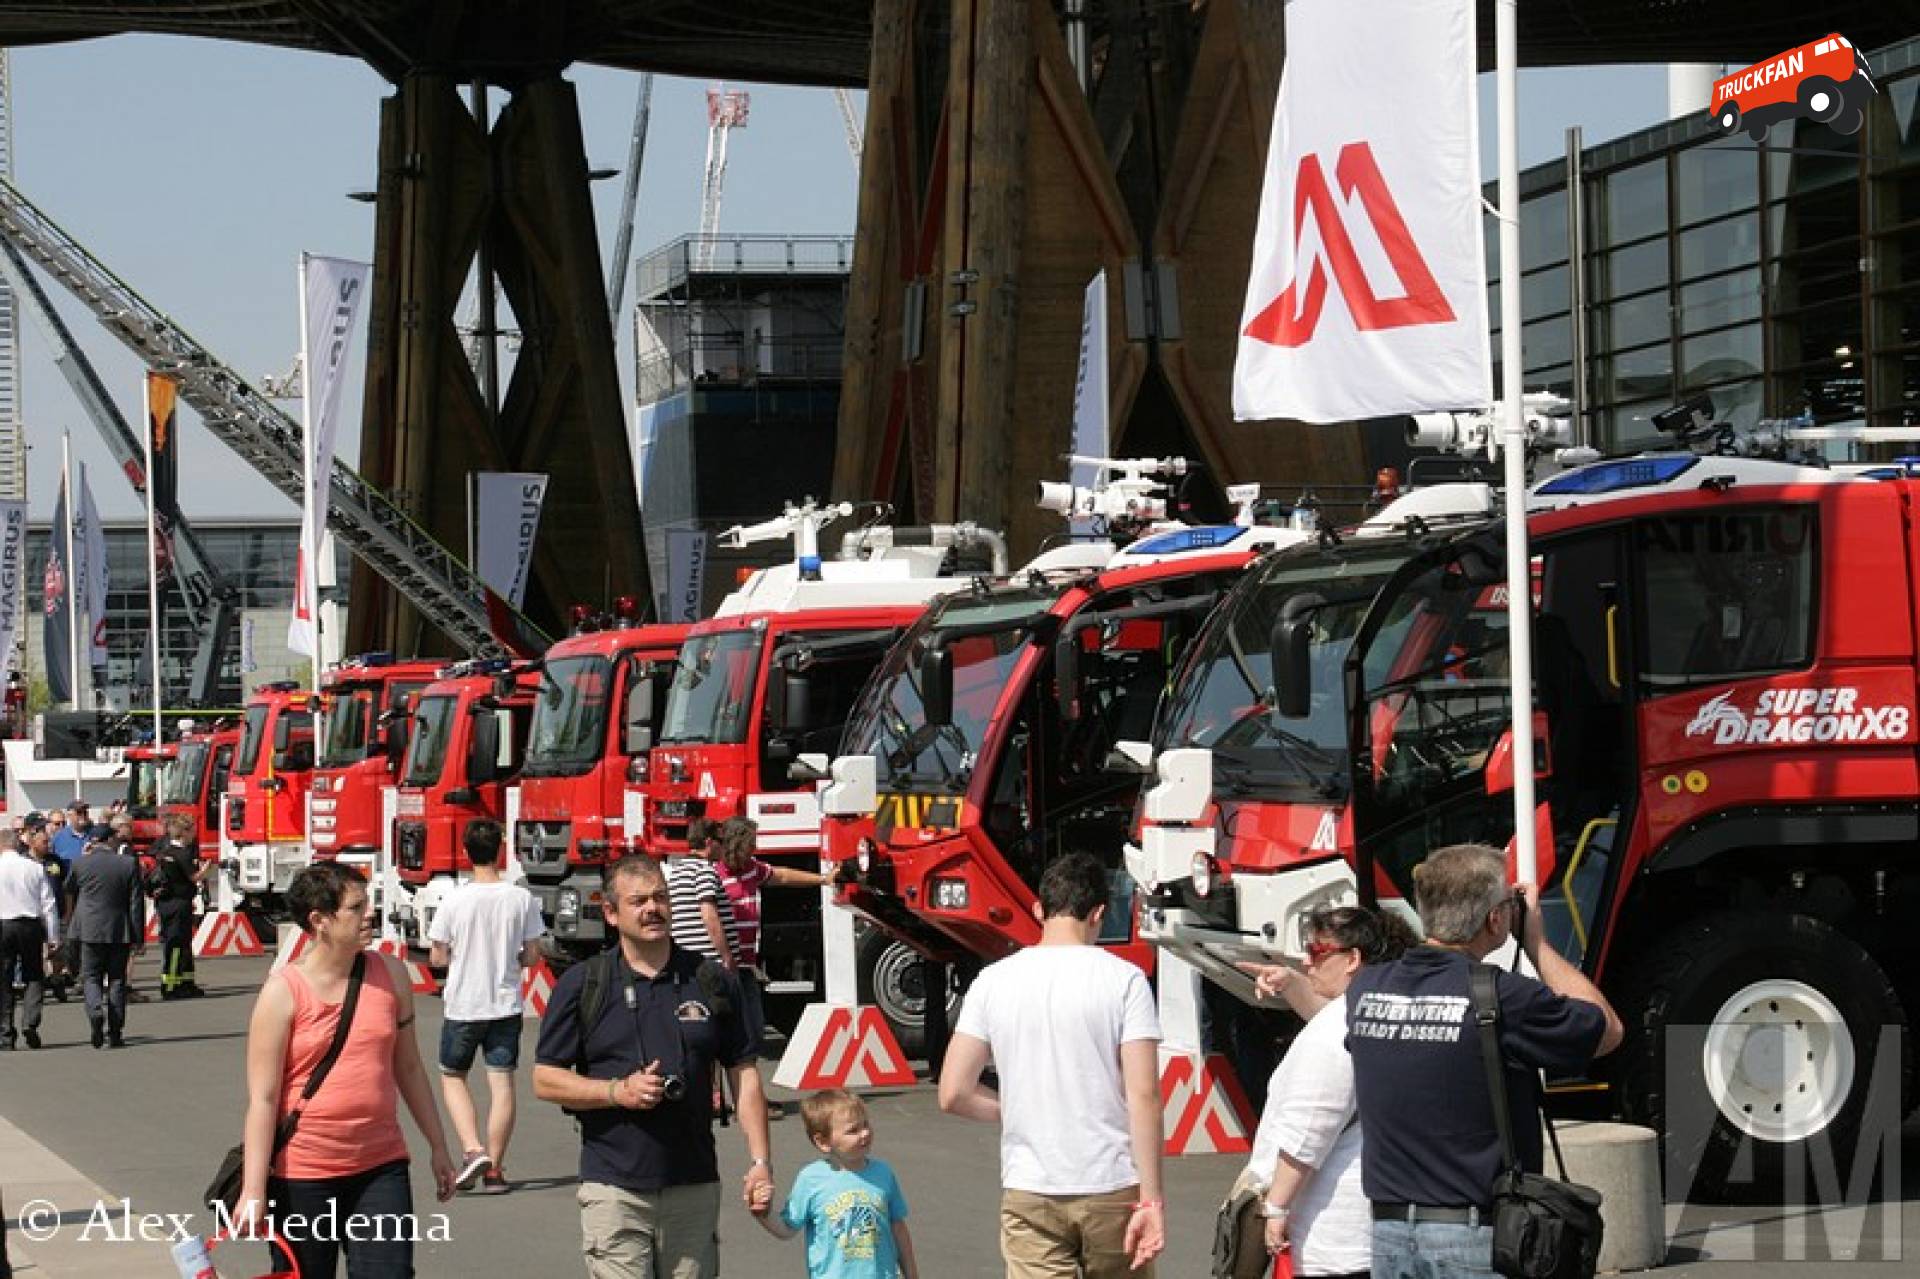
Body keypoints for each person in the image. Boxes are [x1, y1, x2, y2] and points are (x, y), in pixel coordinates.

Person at [1345, 844, 1624, 1279]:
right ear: (1497, 919)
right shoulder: (1503, 995)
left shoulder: (1368, 990)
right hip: (1473, 1238)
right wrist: (1537, 944)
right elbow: (1607, 1031)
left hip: (1389, 1233)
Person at [532, 853, 773, 1279]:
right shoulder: (585, 983)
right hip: (614, 1189)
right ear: (610, 912)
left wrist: (760, 1162)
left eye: (660, 898)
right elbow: (545, 1079)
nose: (652, 909)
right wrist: (615, 1092)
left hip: (694, 1185)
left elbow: (744, 1073)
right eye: (638, 901)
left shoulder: (712, 980)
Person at [938, 851, 1165, 1278]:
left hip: (1031, 1183)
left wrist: (1019, 1109)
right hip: (1110, 1181)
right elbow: (1143, 1097)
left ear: (1039, 909)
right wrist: (1151, 1200)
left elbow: (953, 1093)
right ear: (1099, 912)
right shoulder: (1125, 981)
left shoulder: (992, 982)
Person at [237, 862, 457, 1279]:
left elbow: (408, 1067)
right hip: (303, 1176)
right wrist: (252, 1190)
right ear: (319, 921)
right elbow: (263, 1100)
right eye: (355, 907)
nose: (369, 913)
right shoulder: (283, 993)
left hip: (381, 1168)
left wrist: (438, 1146)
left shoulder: (390, 973)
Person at [1228, 907, 1418, 1279]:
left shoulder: (1332, 1034)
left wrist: (1276, 1208)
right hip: (1368, 1226)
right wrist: (1293, 983)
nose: (1305, 960)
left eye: (1317, 952)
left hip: (1329, 1234)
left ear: (1353, 959)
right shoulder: (1379, 1013)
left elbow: (1307, 1131)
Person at [427, 819, 547, 1195]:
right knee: (502, 1084)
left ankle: (472, 1148)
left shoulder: (454, 900)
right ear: (501, 850)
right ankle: (495, 1168)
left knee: (452, 1076)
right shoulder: (520, 898)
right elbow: (531, 955)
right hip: (505, 1003)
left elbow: (438, 956)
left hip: (464, 1003)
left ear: (466, 851)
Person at [749, 1089, 918, 1279]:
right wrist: (763, 1215)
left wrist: (911, 1274)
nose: (865, 1133)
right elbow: (787, 1228)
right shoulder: (811, 1179)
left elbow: (898, 1227)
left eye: (866, 1125)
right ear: (823, 1142)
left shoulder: (883, 1173)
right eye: (853, 1130)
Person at [711, 815, 831, 1056]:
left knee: (754, 1032)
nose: (755, 848)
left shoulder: (752, 869)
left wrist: (823, 880)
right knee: (723, 1034)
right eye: (751, 843)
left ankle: (748, 1091)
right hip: (723, 965)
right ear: (737, 844)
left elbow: (783, 875)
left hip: (746, 965)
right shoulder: (714, 874)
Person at [63, 824, 147, 1049]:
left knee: (91, 977)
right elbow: (135, 903)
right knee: (117, 979)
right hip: (118, 929)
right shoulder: (128, 863)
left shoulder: (80, 863)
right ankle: (116, 1031)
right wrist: (139, 937)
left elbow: (69, 888)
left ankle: (95, 1012)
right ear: (110, 840)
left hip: (89, 929)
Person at [0, 827, 61, 1050]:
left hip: (3, 924)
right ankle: (30, 1022)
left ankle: (5, 1033)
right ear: (18, 845)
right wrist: (53, 936)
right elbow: (49, 904)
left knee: (3, 979)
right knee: (33, 974)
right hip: (29, 924)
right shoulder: (34, 868)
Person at [149, 813, 211, 999]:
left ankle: (185, 982)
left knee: (179, 943)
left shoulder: (165, 852)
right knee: (176, 945)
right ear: (184, 832)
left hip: (166, 904)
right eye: (191, 830)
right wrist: (206, 868)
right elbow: (194, 877)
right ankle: (171, 985)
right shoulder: (182, 854)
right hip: (179, 903)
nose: (194, 834)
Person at [668, 818, 739, 970]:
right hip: (711, 964)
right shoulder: (704, 870)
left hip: (688, 962)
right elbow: (709, 915)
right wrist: (727, 957)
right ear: (708, 842)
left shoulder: (677, 871)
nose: (724, 846)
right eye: (721, 841)